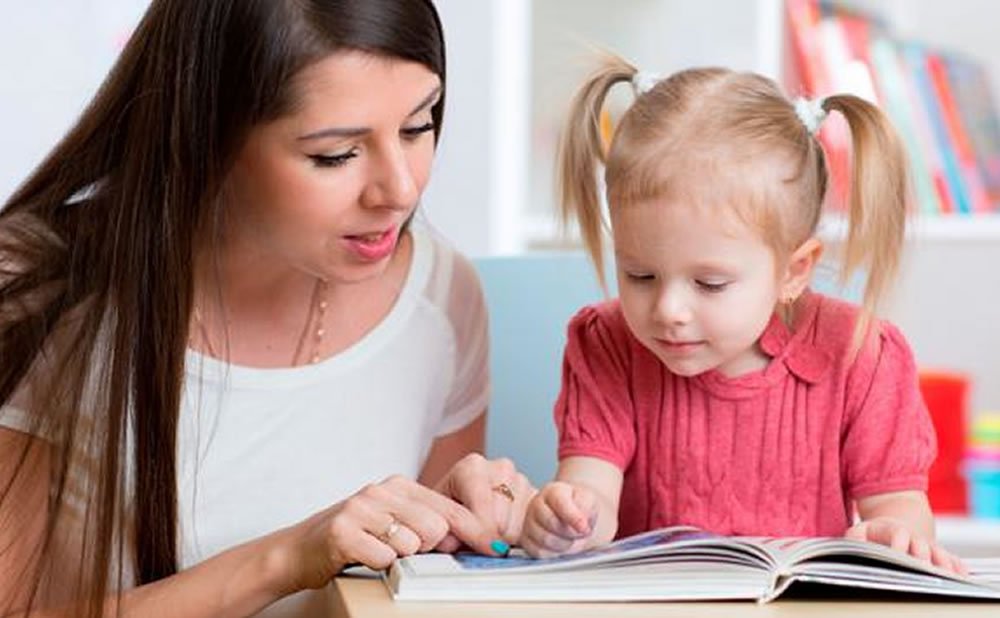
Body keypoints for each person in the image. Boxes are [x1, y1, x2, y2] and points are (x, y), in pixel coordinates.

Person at [0, 1, 534, 616]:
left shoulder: (441, 295)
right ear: (209, 135)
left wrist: (460, 527)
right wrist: (284, 559)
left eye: (417, 126)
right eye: (336, 154)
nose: (401, 189)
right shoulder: (42, 283)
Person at [518, 53, 965, 574]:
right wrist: (569, 519)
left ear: (794, 271)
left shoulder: (861, 353)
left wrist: (895, 535)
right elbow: (591, 490)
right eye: (640, 275)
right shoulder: (608, 344)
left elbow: (900, 506)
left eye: (710, 284)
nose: (668, 310)